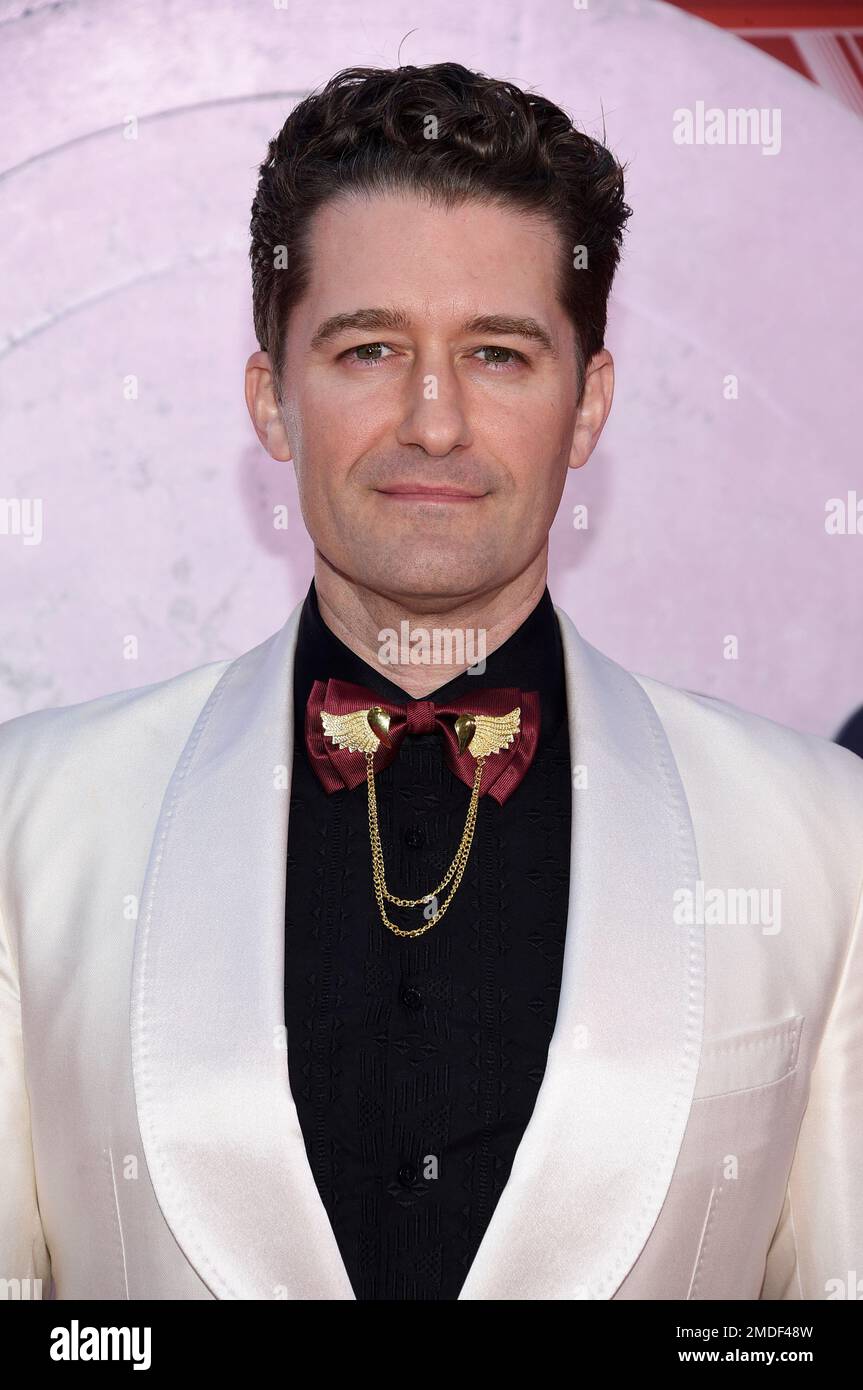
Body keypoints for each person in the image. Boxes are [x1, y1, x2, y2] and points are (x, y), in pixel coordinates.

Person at [1, 61, 861, 1303]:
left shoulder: (820, 835)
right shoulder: (34, 825)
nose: (433, 419)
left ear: (585, 405)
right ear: (271, 400)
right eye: (366, 349)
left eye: (500, 355)